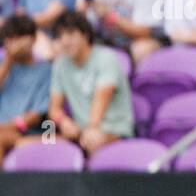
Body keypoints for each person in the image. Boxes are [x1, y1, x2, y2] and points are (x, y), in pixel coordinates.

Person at [47, 9, 133, 155]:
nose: (65, 41)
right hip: (81, 134)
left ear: (85, 35)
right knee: (28, 144)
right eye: (60, 36)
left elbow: (101, 100)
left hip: (115, 132)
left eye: (70, 34)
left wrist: (91, 129)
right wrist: (63, 121)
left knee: (93, 140)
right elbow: (53, 110)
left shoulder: (106, 58)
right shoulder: (60, 64)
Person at [0, 15, 50, 165]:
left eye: (18, 38)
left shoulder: (46, 70)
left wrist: (6, 126)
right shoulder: (4, 65)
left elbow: (35, 116)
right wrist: (9, 60)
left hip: (25, 131)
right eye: (9, 39)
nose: (13, 44)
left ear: (32, 40)